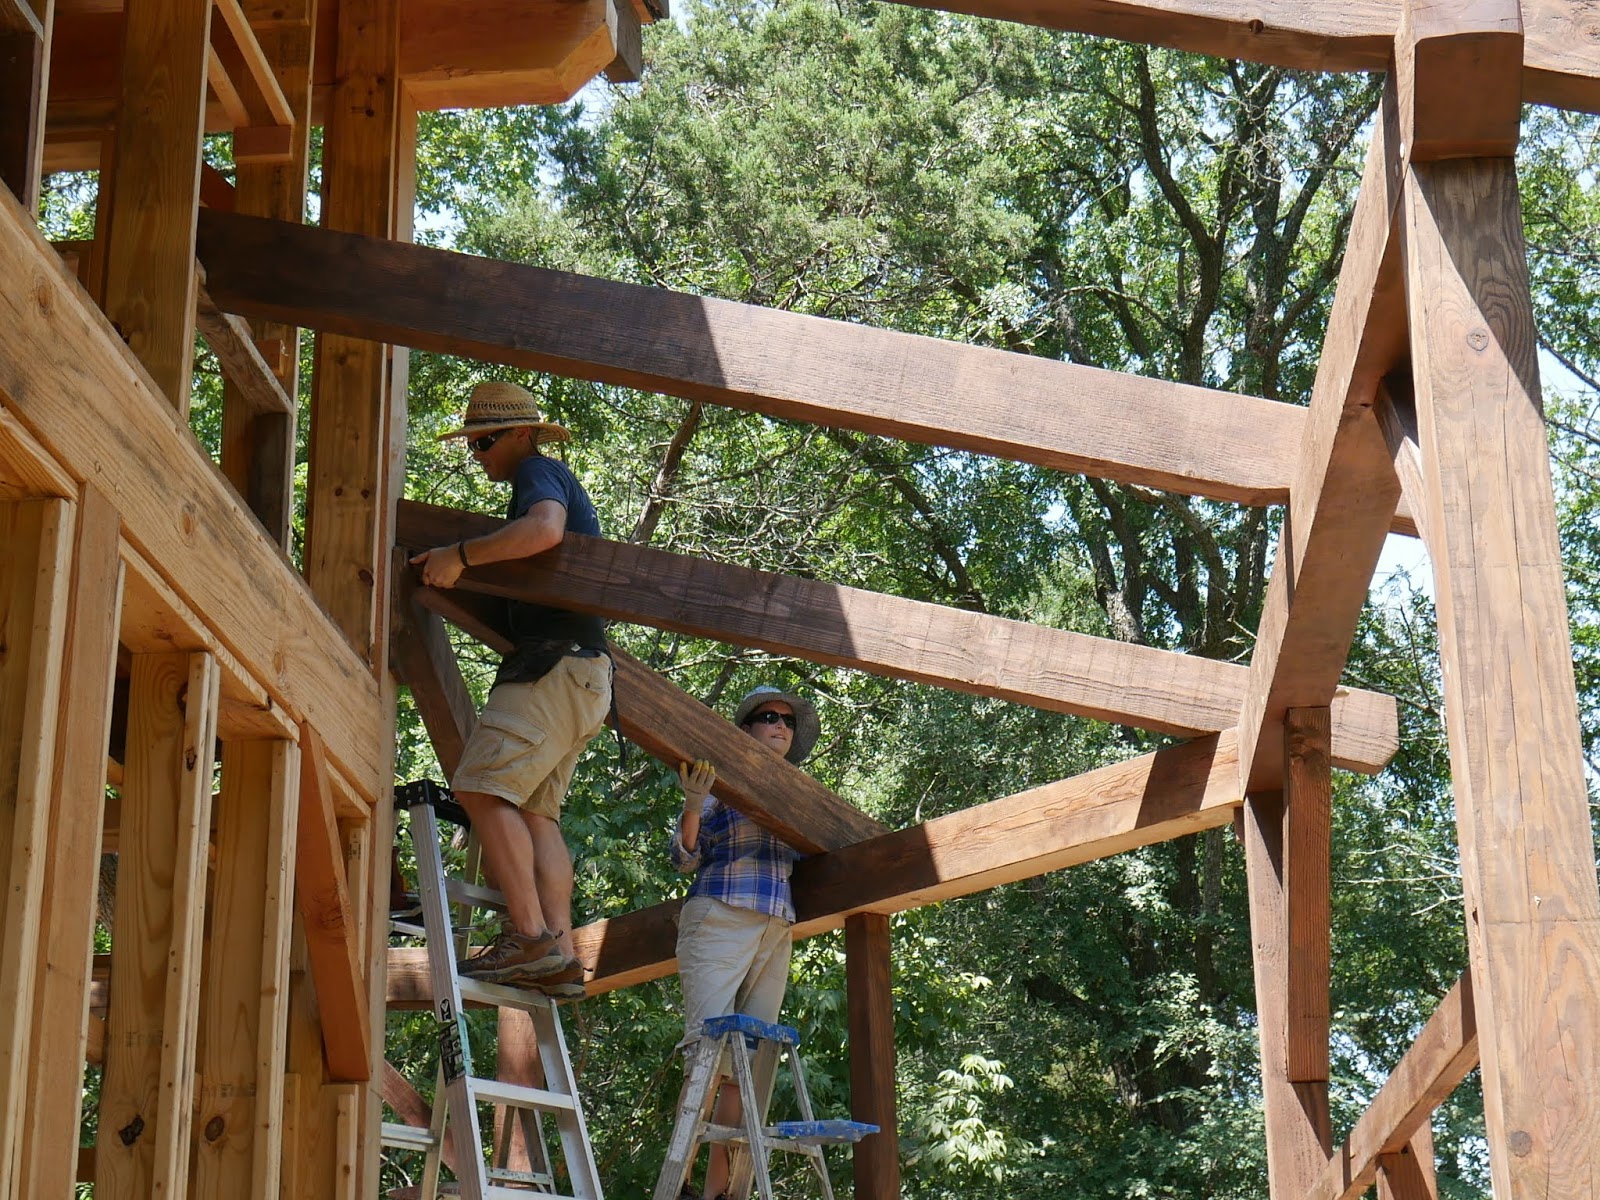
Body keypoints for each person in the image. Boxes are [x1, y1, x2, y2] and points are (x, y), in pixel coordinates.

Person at [410, 380, 612, 999]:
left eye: (486, 440)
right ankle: (556, 949)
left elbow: (545, 530)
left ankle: (528, 939)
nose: (479, 454)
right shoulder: (536, 476)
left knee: (476, 784)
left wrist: (461, 557)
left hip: (552, 668)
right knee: (535, 812)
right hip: (588, 679)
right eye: (473, 444)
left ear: (522, 434)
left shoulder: (539, 471)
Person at [669, 685, 819, 1200]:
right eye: (768, 716)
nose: (780, 724)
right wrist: (692, 805)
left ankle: (720, 1194)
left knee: (746, 1071)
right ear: (747, 728)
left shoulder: (800, 792)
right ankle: (682, 1182)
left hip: (776, 928)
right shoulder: (722, 782)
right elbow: (683, 857)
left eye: (787, 721)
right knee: (706, 1057)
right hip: (722, 916)